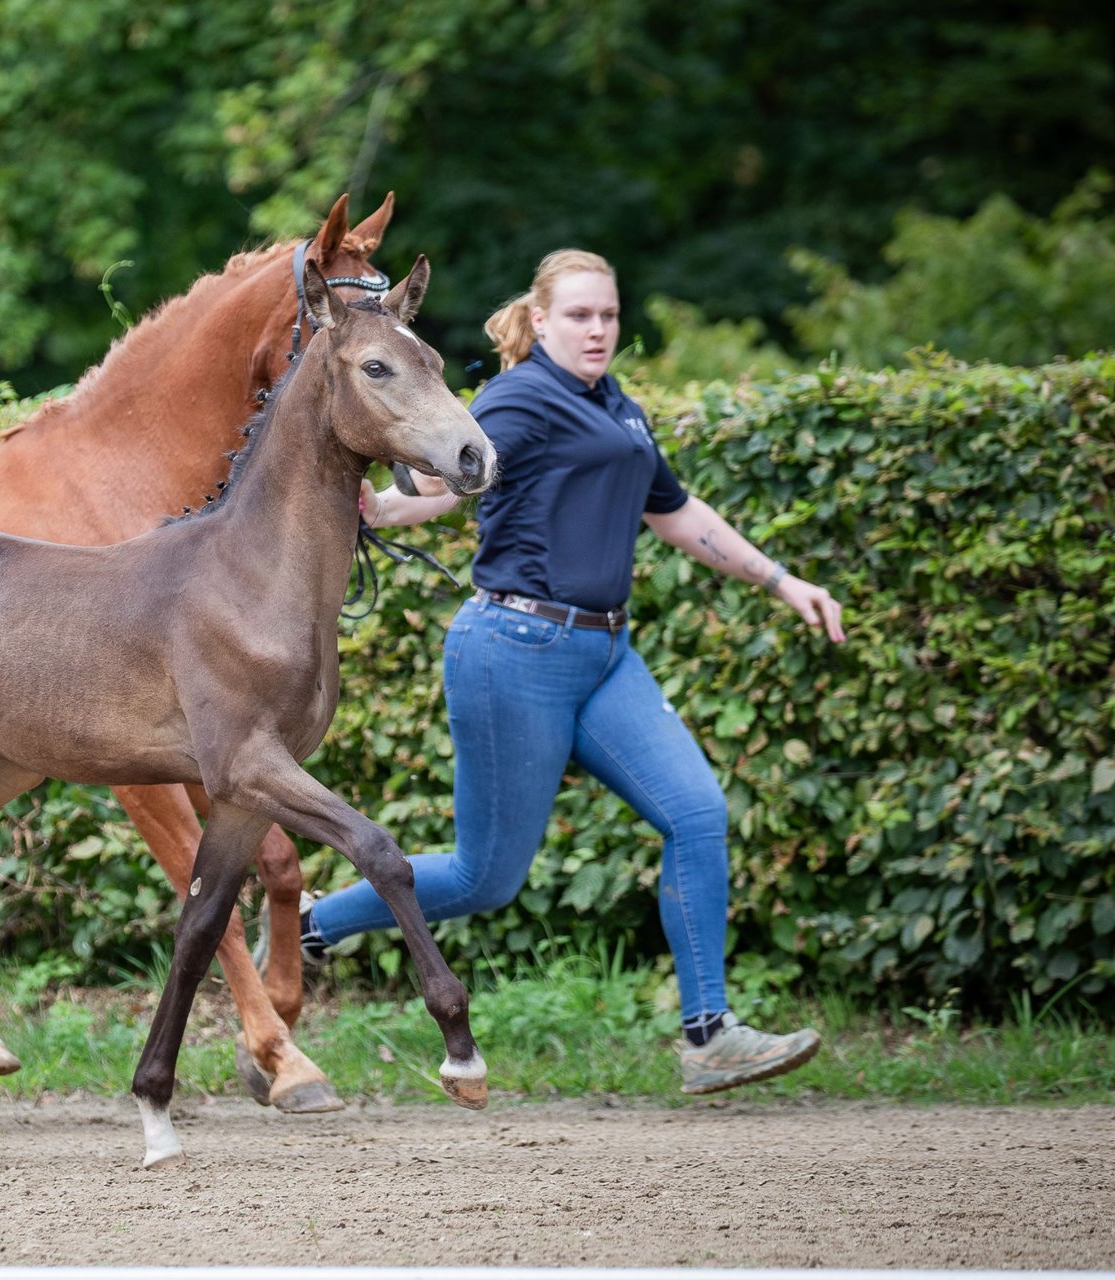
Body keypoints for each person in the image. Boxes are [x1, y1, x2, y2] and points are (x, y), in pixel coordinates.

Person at [302, 248, 845, 1094]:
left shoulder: (616, 405)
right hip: (515, 650)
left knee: (697, 816)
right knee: (487, 877)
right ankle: (310, 926)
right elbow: (450, 479)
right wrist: (393, 502)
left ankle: (709, 1035)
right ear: (543, 320)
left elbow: (674, 511)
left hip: (604, 654)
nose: (598, 330)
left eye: (609, 315)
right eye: (581, 316)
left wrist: (783, 580)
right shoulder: (522, 396)